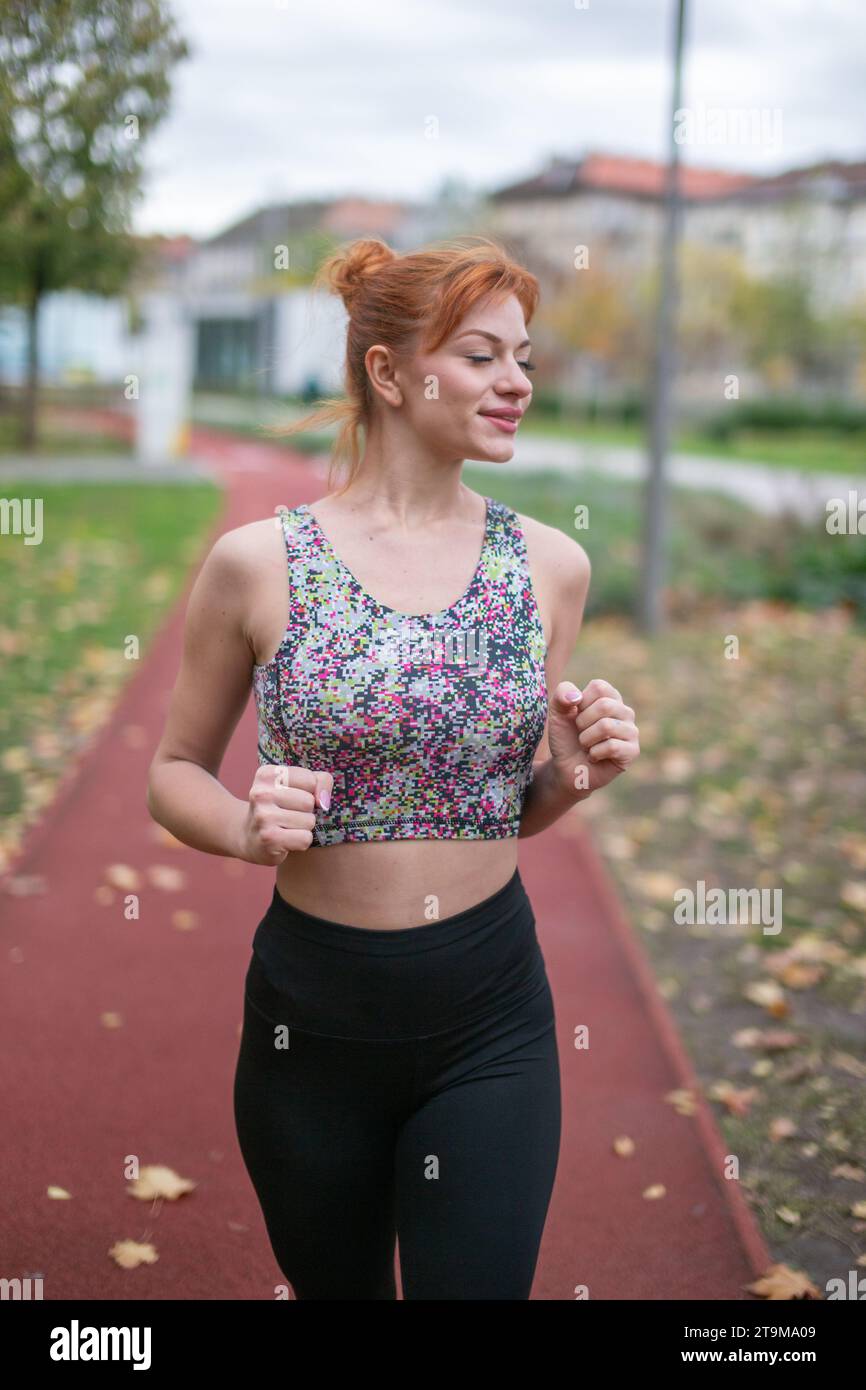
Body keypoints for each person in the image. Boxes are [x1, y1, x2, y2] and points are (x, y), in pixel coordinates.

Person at [146, 235, 641, 1300]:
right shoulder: (258, 561)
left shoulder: (551, 567)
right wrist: (240, 825)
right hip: (309, 1022)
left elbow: (503, 811)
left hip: (489, 1016)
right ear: (387, 371)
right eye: (480, 356)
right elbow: (174, 770)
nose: (515, 382)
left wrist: (573, 774)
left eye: (524, 359)